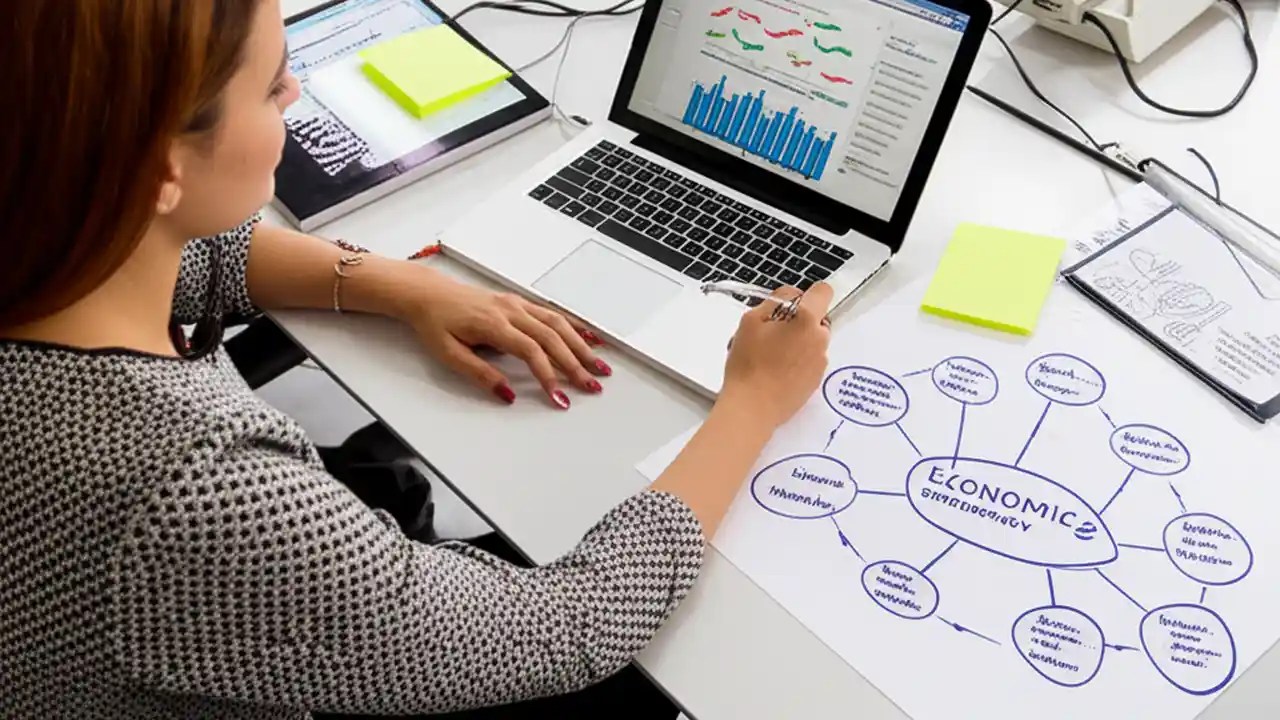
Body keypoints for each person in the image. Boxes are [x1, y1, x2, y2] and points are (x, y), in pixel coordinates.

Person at [0, 1, 834, 718]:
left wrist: (399, 285)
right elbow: (562, 631)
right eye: (271, 83)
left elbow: (181, 254)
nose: (295, 93)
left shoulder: (43, 221)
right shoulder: (195, 491)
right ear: (163, 168)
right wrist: (753, 399)